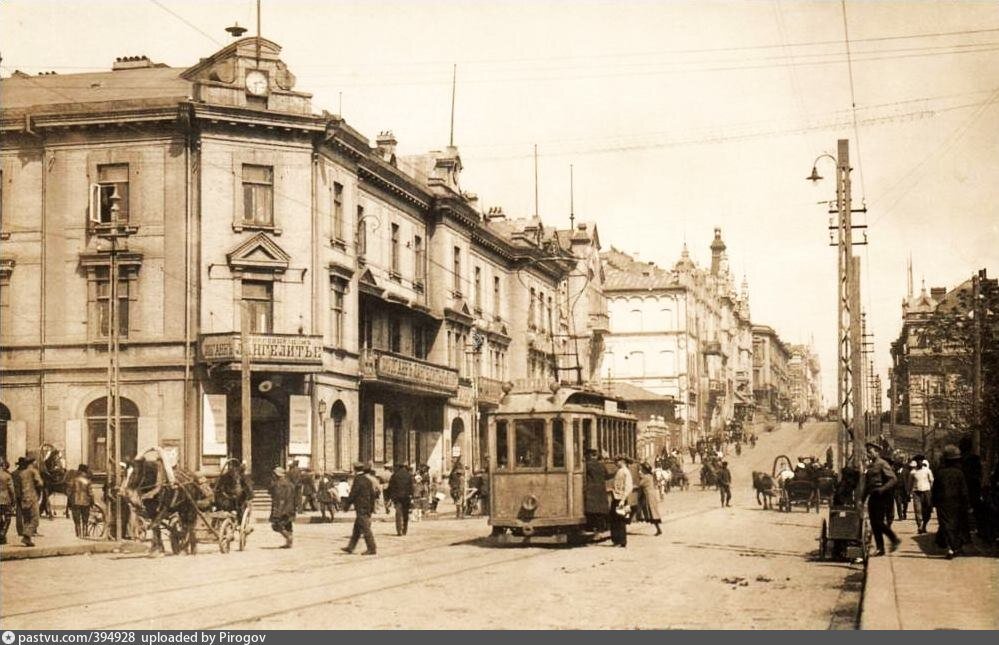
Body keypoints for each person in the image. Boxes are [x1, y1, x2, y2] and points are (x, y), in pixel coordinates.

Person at [932, 445, 970, 559]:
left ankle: (951, 547)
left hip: (943, 503)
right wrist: (967, 504)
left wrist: (933, 503)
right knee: (955, 525)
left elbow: (935, 490)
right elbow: (964, 491)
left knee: (945, 525)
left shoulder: (940, 473)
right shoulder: (959, 473)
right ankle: (954, 547)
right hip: (957, 503)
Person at [863, 445, 900, 556]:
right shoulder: (870, 466)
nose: (869, 454)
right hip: (872, 496)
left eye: (871, 452)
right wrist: (862, 498)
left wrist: (882, 489)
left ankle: (894, 539)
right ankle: (880, 548)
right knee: (874, 524)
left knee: (878, 522)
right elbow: (867, 484)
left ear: (877, 452)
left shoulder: (882, 463)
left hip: (881, 496)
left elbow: (893, 479)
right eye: (868, 452)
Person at [341, 461, 377, 555]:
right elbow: (372, 495)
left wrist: (346, 506)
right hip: (366, 507)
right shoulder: (368, 480)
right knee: (357, 529)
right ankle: (350, 547)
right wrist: (372, 508)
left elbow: (353, 494)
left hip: (361, 508)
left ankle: (372, 548)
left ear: (355, 470)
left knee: (365, 528)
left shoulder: (358, 480)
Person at [12, 454, 44, 547]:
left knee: (26, 519)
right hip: (32, 497)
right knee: (35, 519)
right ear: (32, 463)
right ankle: (26, 535)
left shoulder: (22, 473)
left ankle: (28, 539)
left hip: (24, 498)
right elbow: (40, 483)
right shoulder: (33, 471)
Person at [958, 437, 983, 538]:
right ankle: (978, 530)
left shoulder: (957, 460)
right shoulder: (975, 459)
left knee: (961, 511)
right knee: (976, 509)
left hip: (962, 488)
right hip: (973, 487)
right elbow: (979, 474)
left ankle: (965, 532)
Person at [584, 449, 611, 533]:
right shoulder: (601, 465)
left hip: (591, 489)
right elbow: (607, 476)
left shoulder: (587, 465)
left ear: (589, 456)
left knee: (591, 510)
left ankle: (591, 527)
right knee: (600, 510)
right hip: (601, 489)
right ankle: (601, 528)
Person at [268, 467, 296, 549]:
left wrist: (278, 511)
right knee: (288, 525)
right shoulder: (290, 484)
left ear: (278, 475)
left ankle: (288, 538)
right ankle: (289, 543)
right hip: (290, 507)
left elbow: (277, 496)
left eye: (275, 474)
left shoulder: (278, 484)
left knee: (276, 525)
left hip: (282, 508)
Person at [608, 455, 633, 547]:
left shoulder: (626, 472)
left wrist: (623, 499)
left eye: (617, 461)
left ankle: (622, 541)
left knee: (621, 520)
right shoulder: (620, 471)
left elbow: (628, 487)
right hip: (616, 497)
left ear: (622, 461)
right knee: (615, 519)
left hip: (621, 499)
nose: (616, 463)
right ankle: (616, 540)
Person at [907, 457, 933, 534]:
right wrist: (909, 493)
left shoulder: (927, 470)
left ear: (922, 462)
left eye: (921, 461)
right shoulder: (913, 472)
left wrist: (930, 490)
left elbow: (931, 481)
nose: (919, 463)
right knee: (918, 510)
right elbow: (909, 483)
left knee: (927, 510)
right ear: (916, 462)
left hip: (926, 492)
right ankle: (920, 526)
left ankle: (924, 524)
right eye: (918, 461)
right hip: (916, 493)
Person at [387, 463, 414, 536]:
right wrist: (411, 496)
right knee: (405, 514)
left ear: (398, 467)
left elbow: (390, 487)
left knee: (398, 513)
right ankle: (404, 530)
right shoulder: (408, 475)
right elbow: (411, 487)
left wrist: (390, 497)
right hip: (406, 497)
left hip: (397, 497)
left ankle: (399, 530)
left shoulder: (395, 475)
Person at [69, 464, 95, 538]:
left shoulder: (73, 480)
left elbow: (69, 491)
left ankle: (78, 534)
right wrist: (92, 501)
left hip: (75, 501)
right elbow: (90, 493)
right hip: (86, 501)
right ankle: (85, 532)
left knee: (76, 519)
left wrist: (71, 500)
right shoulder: (87, 481)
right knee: (85, 518)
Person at [636, 463, 662, 535]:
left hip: (649, 496)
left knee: (652, 513)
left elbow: (640, 484)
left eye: (642, 469)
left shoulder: (646, 477)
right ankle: (658, 529)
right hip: (651, 496)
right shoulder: (649, 476)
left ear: (645, 470)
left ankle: (658, 529)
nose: (641, 470)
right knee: (652, 512)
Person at [0, 459, 15, 545]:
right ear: (3, 465)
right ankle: (2, 534)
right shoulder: (7, 476)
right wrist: (13, 500)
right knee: (7, 518)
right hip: (5, 500)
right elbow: (11, 490)